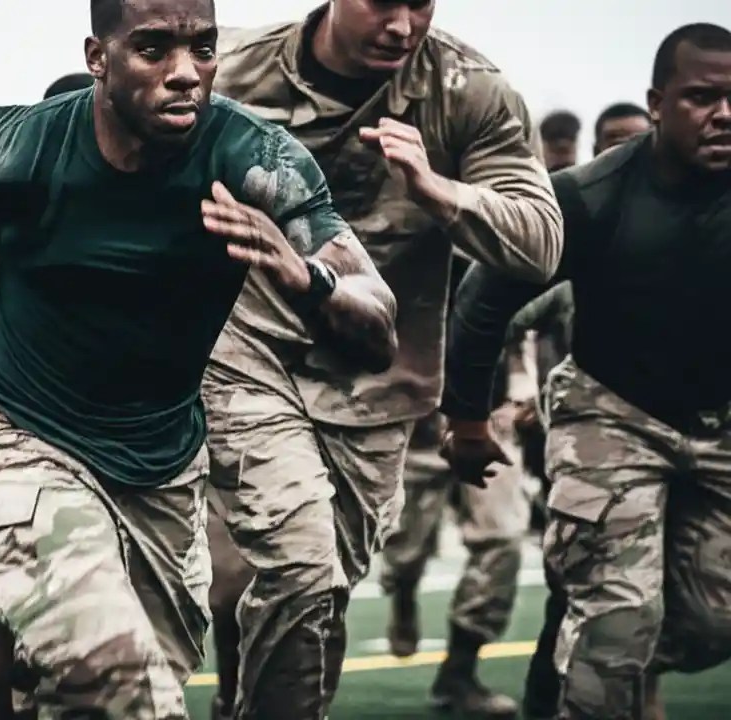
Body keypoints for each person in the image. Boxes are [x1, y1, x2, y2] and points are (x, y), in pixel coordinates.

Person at [0, 0, 397, 714]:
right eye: (154, 50)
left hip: (159, 472)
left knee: (132, 694)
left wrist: (306, 279)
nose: (184, 74)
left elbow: (378, 325)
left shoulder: (253, 160)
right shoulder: (16, 147)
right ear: (97, 58)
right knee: (121, 681)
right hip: (19, 441)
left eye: (202, 48)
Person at [206, 1, 564, 717]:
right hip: (246, 357)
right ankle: (235, 699)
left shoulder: (466, 92)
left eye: (420, 3)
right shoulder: (232, 69)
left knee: (319, 590)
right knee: (270, 569)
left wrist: (441, 191)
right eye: (381, 1)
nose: (402, 25)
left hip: (374, 380)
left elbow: (540, 245)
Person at [441, 22, 731, 720]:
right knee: (616, 625)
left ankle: (589, 644)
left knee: (714, 620)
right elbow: (485, 297)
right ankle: (597, 648)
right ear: (657, 103)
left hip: (721, 416)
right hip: (614, 414)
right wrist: (469, 420)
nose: (725, 114)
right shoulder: (588, 196)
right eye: (703, 97)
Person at [516, 99, 653, 720]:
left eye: (634, 140)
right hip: (589, 445)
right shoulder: (577, 242)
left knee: (663, 595)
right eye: (611, 143)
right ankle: (545, 704)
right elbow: (502, 310)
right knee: (574, 591)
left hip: (693, 439)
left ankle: (643, 693)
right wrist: (501, 398)